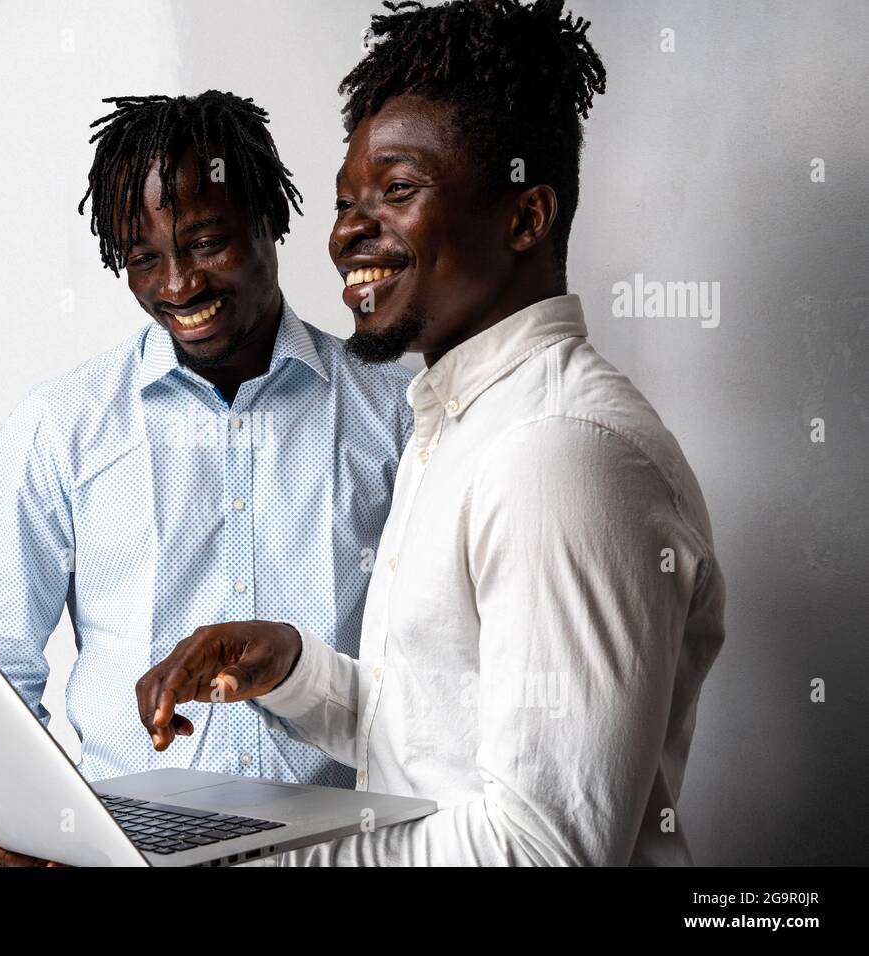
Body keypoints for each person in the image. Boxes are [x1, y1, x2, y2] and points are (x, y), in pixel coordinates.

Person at [139, 0, 726, 866]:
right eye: (346, 202)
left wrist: (232, 859)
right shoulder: (460, 421)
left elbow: (539, 849)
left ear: (525, 217)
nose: (346, 233)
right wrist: (295, 668)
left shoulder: (557, 451)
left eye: (397, 190)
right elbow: (438, 733)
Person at [0, 91, 413, 866]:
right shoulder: (61, 426)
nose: (178, 285)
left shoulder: (396, 415)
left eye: (206, 242)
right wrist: (29, 827)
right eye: (144, 258)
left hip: (341, 855)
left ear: (269, 219)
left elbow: (438, 672)